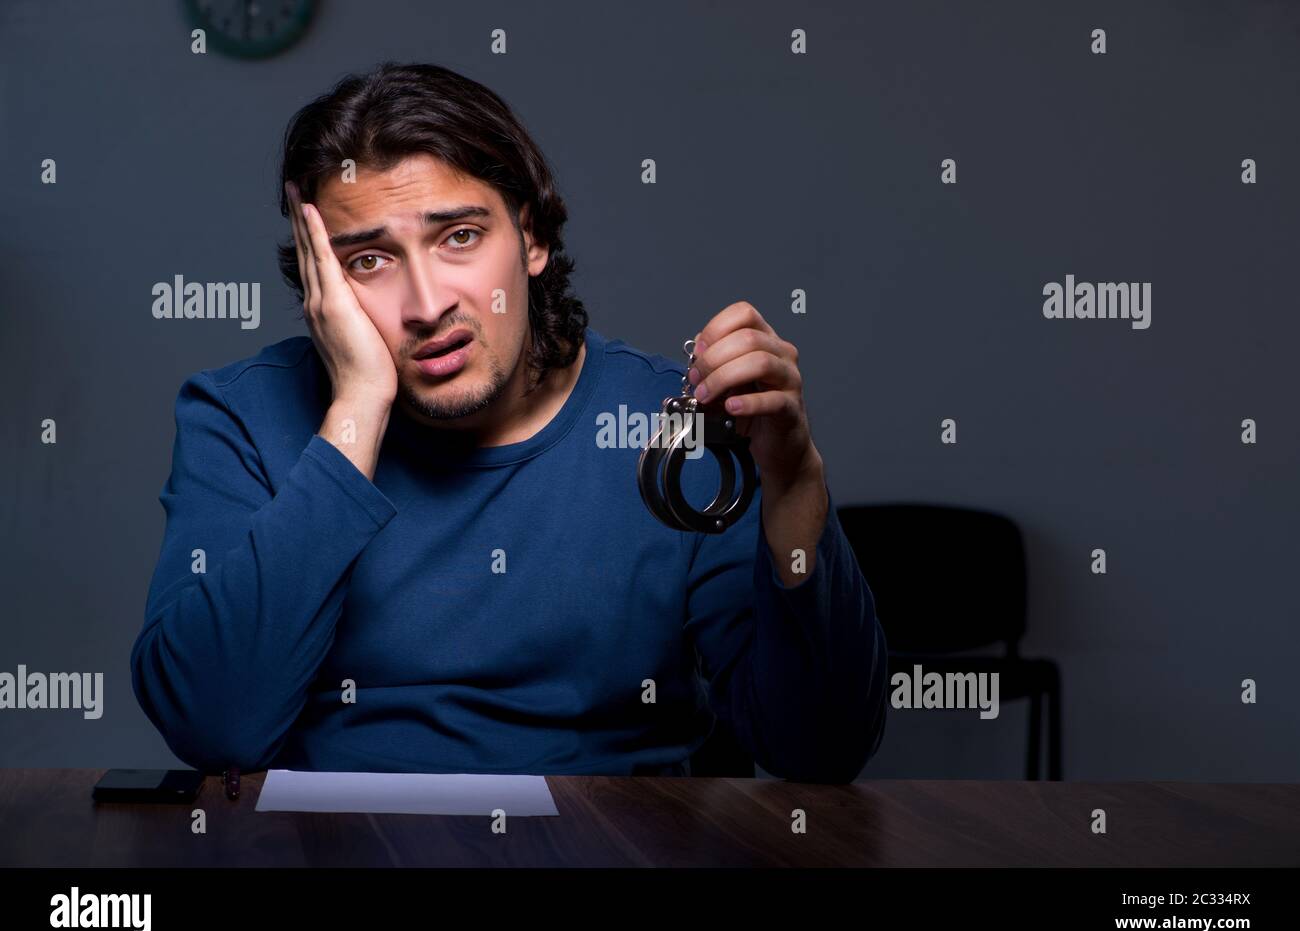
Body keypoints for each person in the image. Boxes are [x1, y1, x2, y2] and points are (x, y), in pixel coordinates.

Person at [130, 61, 888, 783]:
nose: (426, 304)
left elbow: (818, 749)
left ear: (532, 238)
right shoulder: (241, 415)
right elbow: (213, 723)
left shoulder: (668, 425)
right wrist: (357, 408)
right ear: (319, 286)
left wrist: (793, 480)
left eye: (458, 236)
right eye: (369, 261)